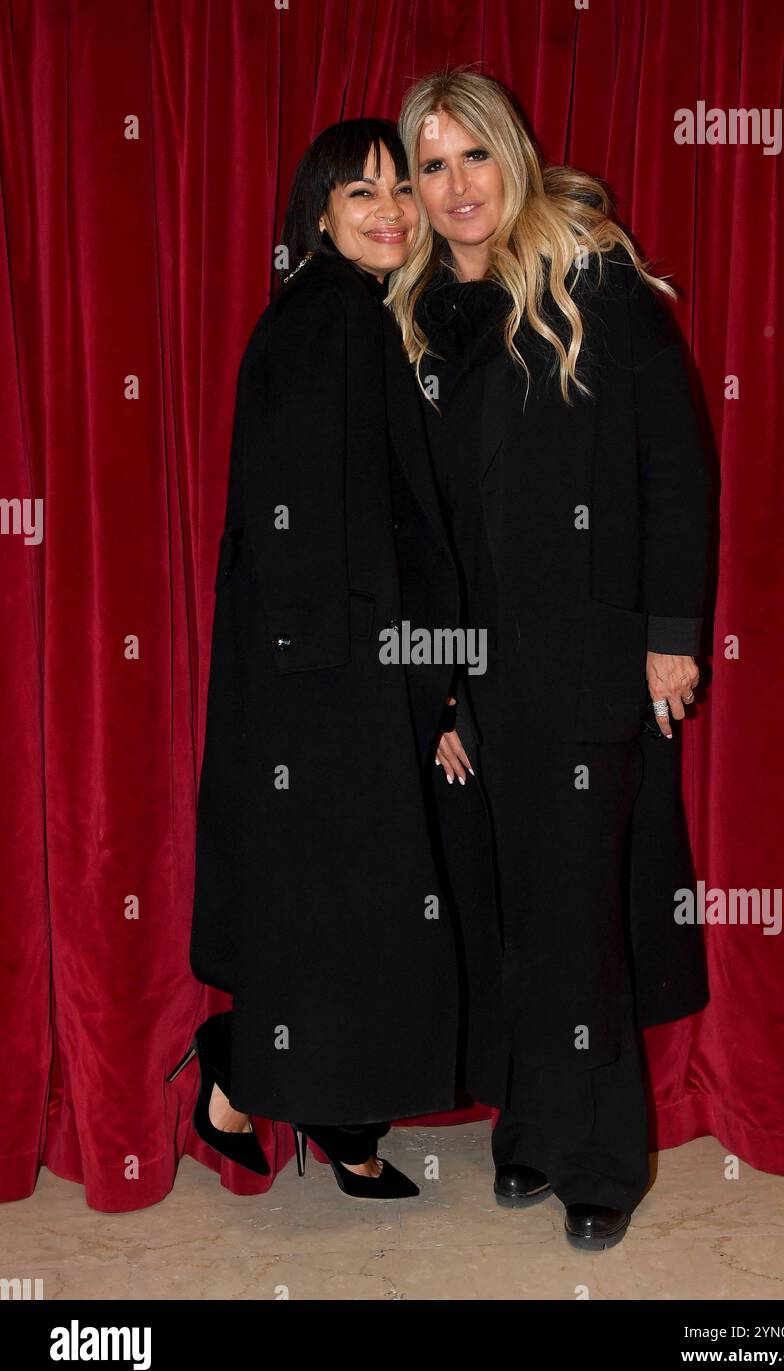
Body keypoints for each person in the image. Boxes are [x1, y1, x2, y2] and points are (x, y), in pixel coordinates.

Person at [389, 69, 711, 1248]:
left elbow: (671, 463)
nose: (456, 185)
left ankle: (598, 1163)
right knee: (502, 917)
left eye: (472, 155)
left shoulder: (592, 281)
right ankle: (524, 1131)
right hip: (474, 672)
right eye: (432, 165)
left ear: (512, 158)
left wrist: (668, 640)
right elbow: (418, 524)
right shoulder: (415, 313)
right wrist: (436, 684)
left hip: (583, 662)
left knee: (579, 920)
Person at [171, 119, 464, 1200]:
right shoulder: (332, 315)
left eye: (399, 188)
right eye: (360, 194)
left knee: (340, 906)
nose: (389, 208)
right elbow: (292, 517)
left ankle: (274, 1094)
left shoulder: (340, 312)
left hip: (331, 666)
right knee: (347, 903)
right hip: (329, 679)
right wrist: (363, 681)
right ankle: (300, 1106)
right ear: (319, 216)